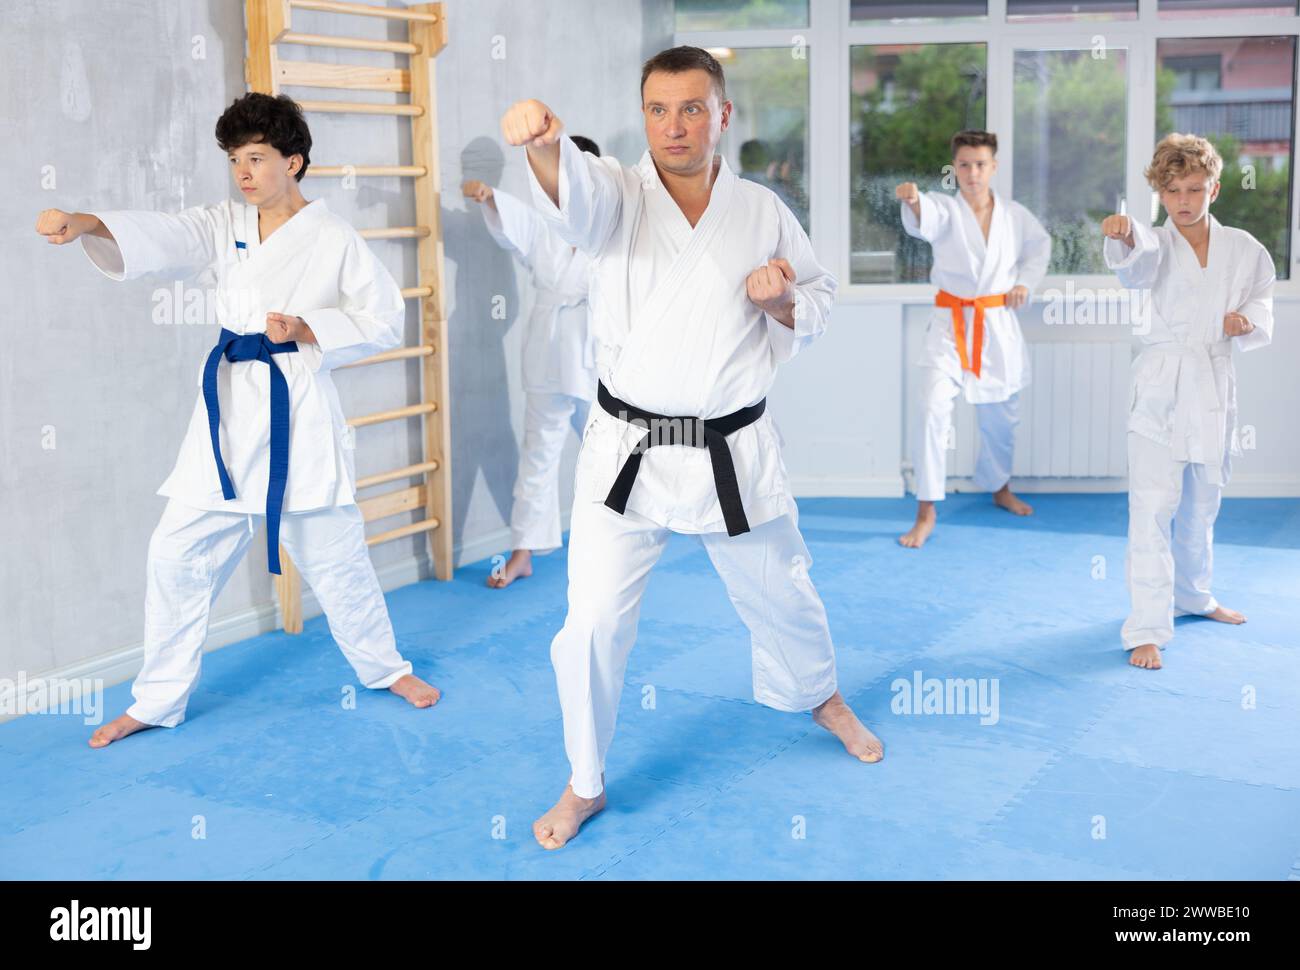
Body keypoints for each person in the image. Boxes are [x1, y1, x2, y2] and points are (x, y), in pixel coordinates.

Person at [500, 46, 884, 851]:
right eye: (658, 110)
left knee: (784, 590)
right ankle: (585, 779)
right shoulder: (616, 194)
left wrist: (780, 299)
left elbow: (816, 298)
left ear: (723, 115)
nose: (674, 126)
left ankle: (820, 695)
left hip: (729, 452)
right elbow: (575, 204)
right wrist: (543, 149)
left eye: (692, 109)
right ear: (643, 117)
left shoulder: (764, 211)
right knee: (591, 623)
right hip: (625, 456)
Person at [34, 92, 440, 747]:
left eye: (256, 157)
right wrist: (86, 222)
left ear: (294, 161)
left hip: (296, 407)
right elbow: (164, 235)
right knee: (174, 553)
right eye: (234, 160)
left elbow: (385, 317)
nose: (244, 172)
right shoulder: (227, 223)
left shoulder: (332, 237)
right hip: (227, 410)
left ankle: (385, 669)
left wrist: (310, 327)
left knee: (336, 558)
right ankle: (157, 699)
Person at [1101, 133, 1274, 670]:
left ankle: (1194, 597)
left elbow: (1261, 299)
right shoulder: (1153, 243)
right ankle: (1147, 628)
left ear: (1214, 189)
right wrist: (1123, 236)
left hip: (1212, 384)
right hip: (1160, 385)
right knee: (1152, 506)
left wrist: (1247, 323)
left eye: (1194, 188)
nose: (1183, 200)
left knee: (1202, 503)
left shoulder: (1245, 248)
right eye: (1172, 190)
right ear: (1159, 193)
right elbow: (1132, 265)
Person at [896, 130, 1052, 548]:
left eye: (980, 164)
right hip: (950, 325)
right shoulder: (946, 209)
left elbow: (1040, 248)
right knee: (931, 409)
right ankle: (926, 508)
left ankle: (999, 486)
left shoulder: (1015, 216)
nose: (972, 172)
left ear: (993, 167)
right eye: (964, 164)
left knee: (1001, 420)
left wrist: (1024, 283)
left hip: (996, 323)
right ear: (955, 168)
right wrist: (913, 201)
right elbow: (925, 218)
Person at [461, 134, 602, 590]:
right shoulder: (541, 224)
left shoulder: (612, 224)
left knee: (613, 450)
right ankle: (523, 549)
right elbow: (513, 220)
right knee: (539, 454)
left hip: (595, 352)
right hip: (547, 349)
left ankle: (636, 530)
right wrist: (489, 197)